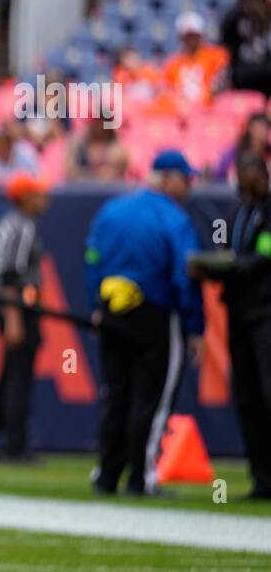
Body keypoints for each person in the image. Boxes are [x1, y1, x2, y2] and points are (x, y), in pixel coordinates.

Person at [85, 150, 204, 497]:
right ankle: (142, 477)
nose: (190, 186)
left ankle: (106, 475)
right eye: (186, 178)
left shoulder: (112, 210)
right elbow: (186, 275)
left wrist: (96, 303)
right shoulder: (174, 218)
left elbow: (92, 259)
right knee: (151, 397)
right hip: (154, 312)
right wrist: (194, 324)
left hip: (111, 310)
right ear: (167, 178)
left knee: (115, 393)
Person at [191, 154, 271, 499]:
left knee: (268, 394)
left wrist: (222, 268)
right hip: (239, 315)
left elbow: (262, 259)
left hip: (265, 315)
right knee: (248, 397)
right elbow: (224, 251)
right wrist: (212, 264)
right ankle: (262, 478)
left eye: (251, 175)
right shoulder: (236, 213)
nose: (245, 182)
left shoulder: (267, 213)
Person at [0, 173, 49, 462]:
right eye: (38, 193)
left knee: (9, 376)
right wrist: (13, 317)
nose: (44, 199)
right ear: (25, 197)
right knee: (19, 377)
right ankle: (15, 444)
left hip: (11, 305)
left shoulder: (12, 223)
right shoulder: (22, 227)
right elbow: (10, 277)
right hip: (15, 306)